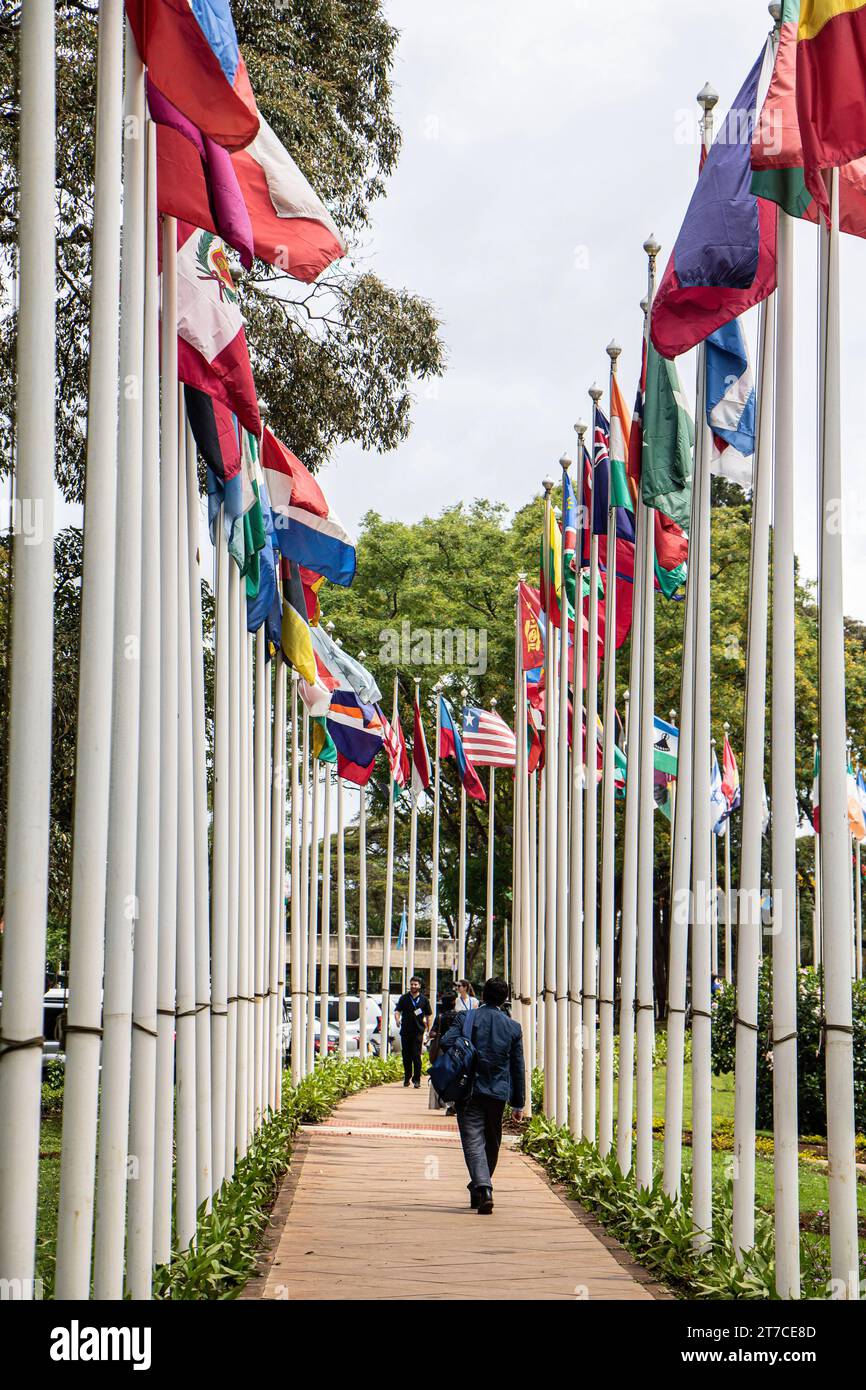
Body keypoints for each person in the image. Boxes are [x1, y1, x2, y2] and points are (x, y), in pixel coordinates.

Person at [441, 976, 525, 1214]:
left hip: (468, 1089)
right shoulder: (512, 1026)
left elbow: (447, 1041)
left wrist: (465, 1050)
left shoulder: (467, 1017)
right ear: (505, 999)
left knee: (473, 1141)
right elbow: (518, 1067)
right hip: (497, 1092)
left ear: (483, 995)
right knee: (492, 1142)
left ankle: (483, 1187)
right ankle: (480, 1186)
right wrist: (518, 1104)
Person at [394, 975, 432, 1088]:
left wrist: (429, 1029)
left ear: (419, 986)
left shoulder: (424, 1000)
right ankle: (407, 1077)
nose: (413, 986)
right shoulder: (404, 998)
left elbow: (429, 1015)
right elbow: (397, 1011)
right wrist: (397, 1020)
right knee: (406, 1056)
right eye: (411, 984)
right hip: (405, 1031)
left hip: (418, 1031)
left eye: (415, 984)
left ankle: (417, 1080)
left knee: (416, 1056)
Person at [426, 991, 458, 1111]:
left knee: (439, 1076)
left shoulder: (440, 1017)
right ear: (454, 1002)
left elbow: (432, 1033)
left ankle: (441, 1102)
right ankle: (454, 1104)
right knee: (455, 1077)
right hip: (456, 1051)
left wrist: (438, 1034)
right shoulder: (459, 1016)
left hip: (441, 1051)